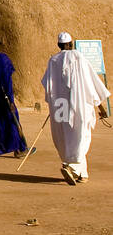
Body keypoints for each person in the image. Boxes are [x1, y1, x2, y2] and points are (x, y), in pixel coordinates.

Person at [42, 31, 110, 185]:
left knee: (65, 136)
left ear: (59, 45)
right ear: (71, 44)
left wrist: (53, 101)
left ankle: (82, 174)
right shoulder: (79, 58)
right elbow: (90, 83)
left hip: (60, 106)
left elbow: (47, 85)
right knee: (80, 136)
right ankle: (72, 167)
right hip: (80, 105)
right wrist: (100, 106)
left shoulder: (52, 61)